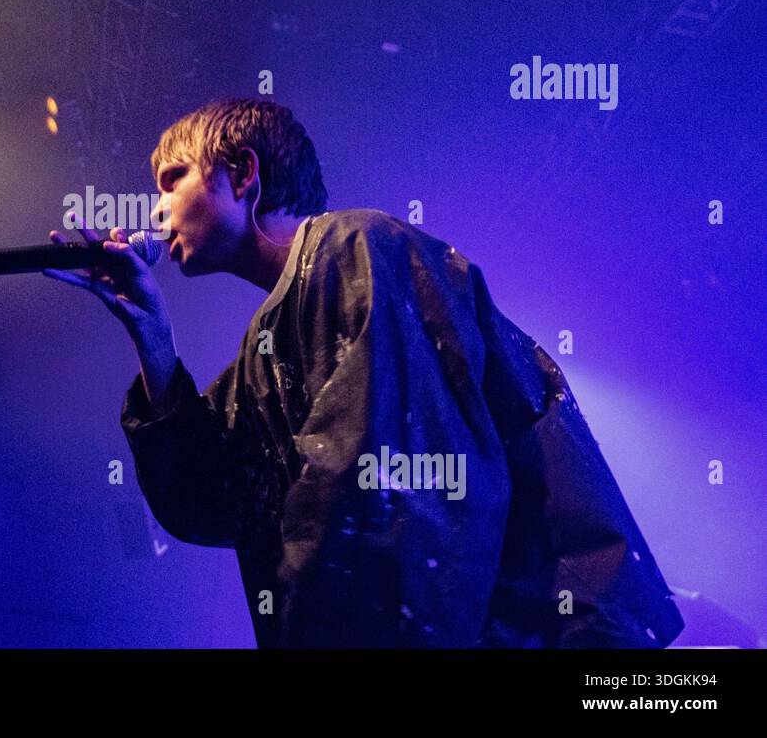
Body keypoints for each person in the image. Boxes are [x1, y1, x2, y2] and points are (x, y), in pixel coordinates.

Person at [43, 98, 685, 648]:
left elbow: (385, 494)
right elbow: (214, 503)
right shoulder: (267, 340)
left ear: (242, 174)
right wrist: (150, 332)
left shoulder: (358, 248)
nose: (157, 210)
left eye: (173, 178)